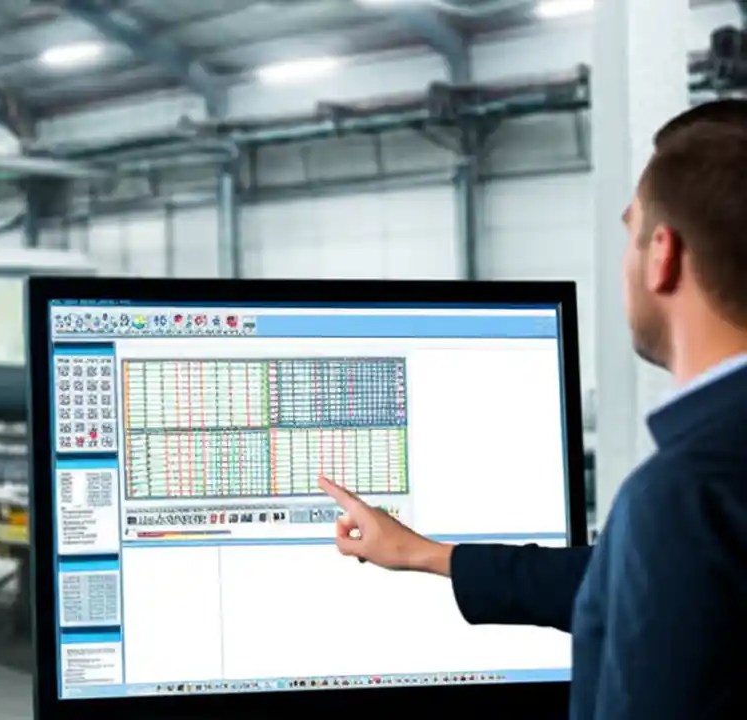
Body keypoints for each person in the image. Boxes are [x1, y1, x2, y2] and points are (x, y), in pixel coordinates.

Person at [318, 100, 747, 719]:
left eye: (629, 234)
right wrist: (425, 553)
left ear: (662, 255)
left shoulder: (685, 498)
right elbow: (621, 582)